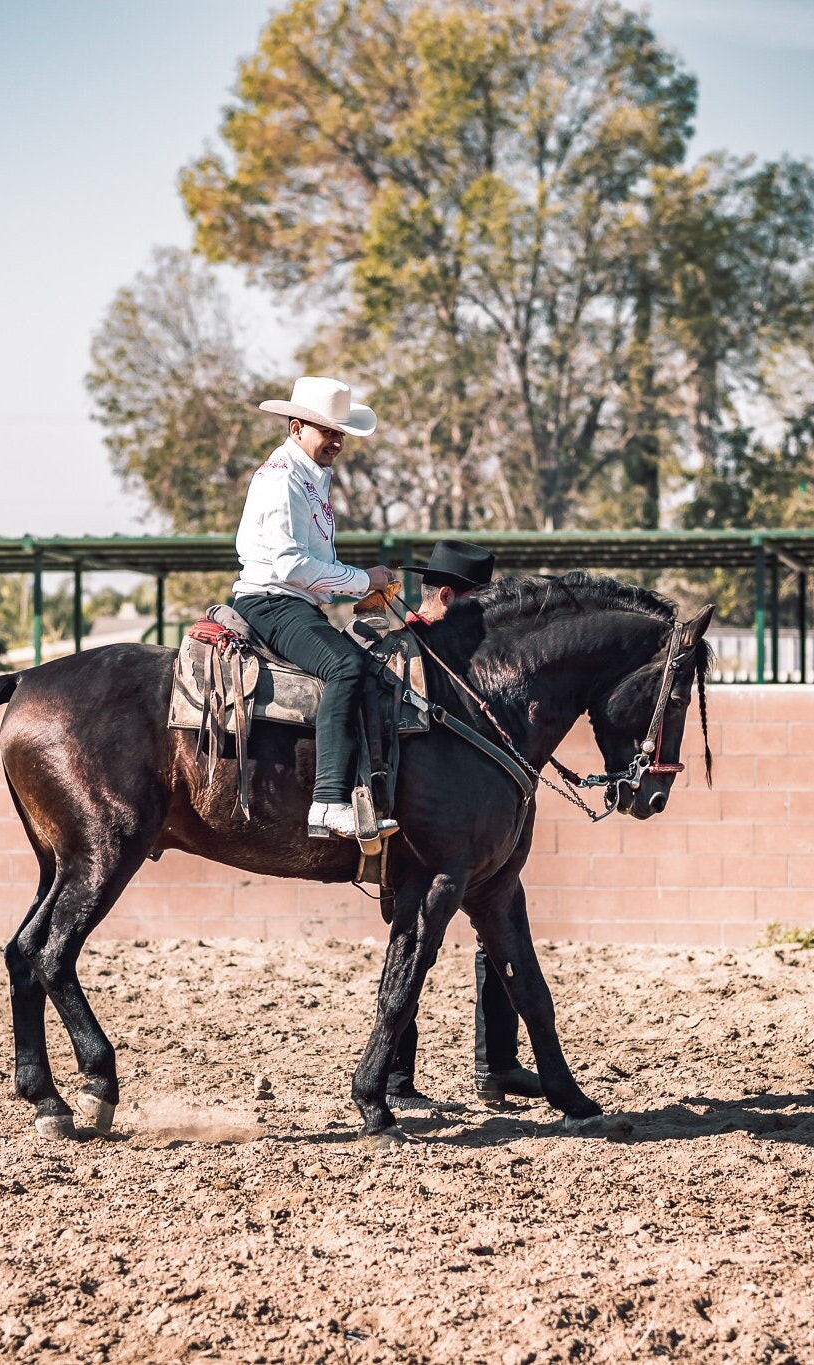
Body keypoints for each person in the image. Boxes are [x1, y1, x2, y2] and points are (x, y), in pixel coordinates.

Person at [386, 539, 545, 1107]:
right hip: (424, 825)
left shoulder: (460, 654)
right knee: (415, 935)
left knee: (498, 925)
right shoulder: (412, 652)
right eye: (481, 605)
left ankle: (498, 1064)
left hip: (469, 819)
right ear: (449, 597)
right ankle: (399, 1079)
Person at [232, 376, 398, 839]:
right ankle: (326, 802)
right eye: (328, 431)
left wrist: (355, 583)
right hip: (273, 602)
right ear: (296, 428)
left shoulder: (309, 477)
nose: (337, 442)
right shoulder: (284, 479)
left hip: (293, 603)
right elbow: (290, 566)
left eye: (341, 433)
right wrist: (363, 580)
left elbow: (313, 564)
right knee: (346, 667)